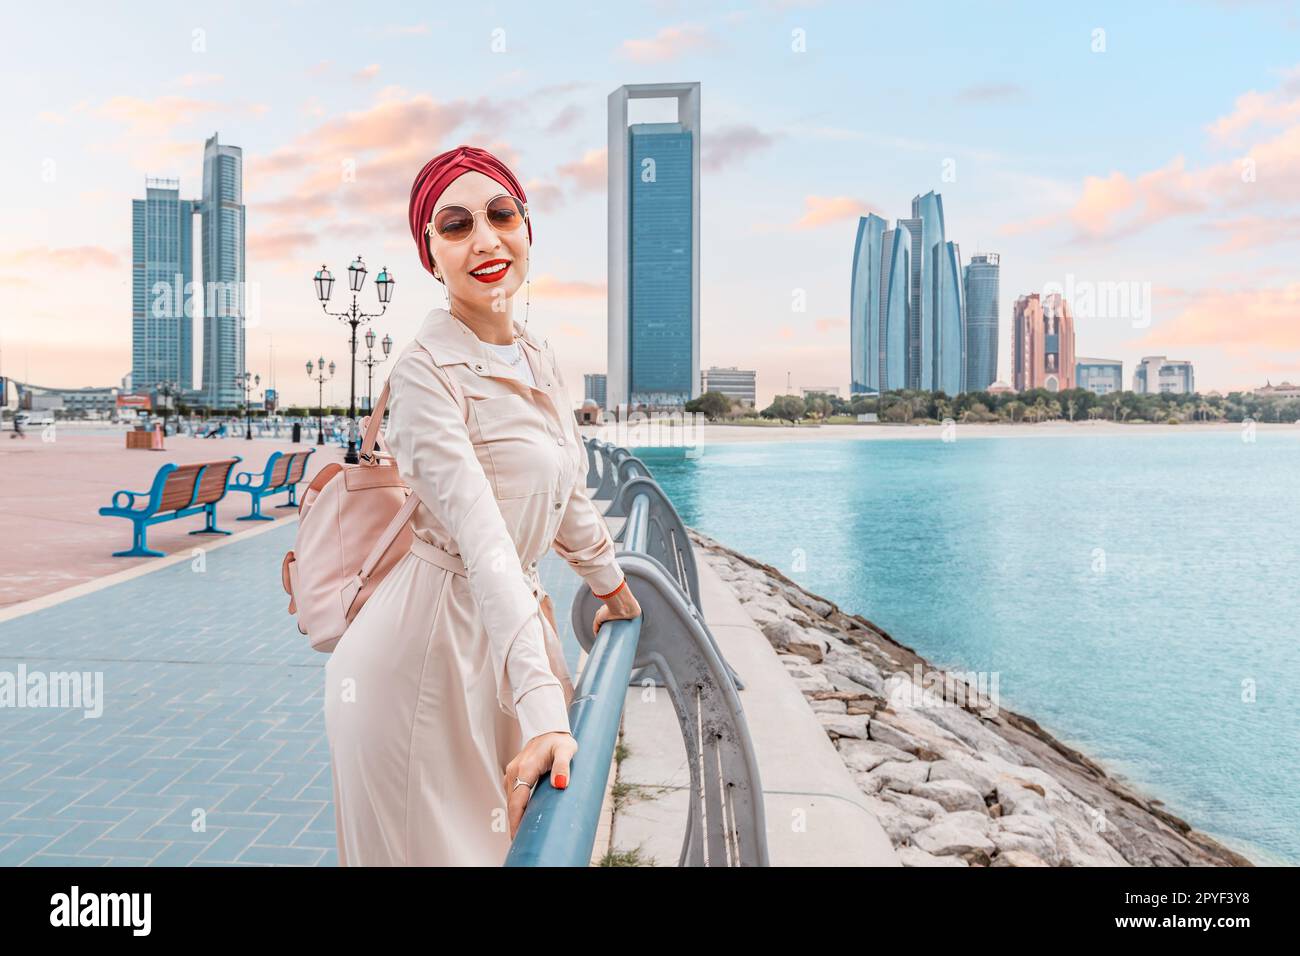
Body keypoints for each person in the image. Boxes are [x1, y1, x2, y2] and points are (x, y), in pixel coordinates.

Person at [323, 145, 642, 866]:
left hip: (506, 642)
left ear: (528, 229)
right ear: (430, 255)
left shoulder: (537, 355)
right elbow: (483, 538)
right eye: (456, 225)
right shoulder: (422, 374)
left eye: (502, 215)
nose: (485, 240)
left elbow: (566, 492)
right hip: (419, 665)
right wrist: (543, 713)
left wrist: (613, 585)